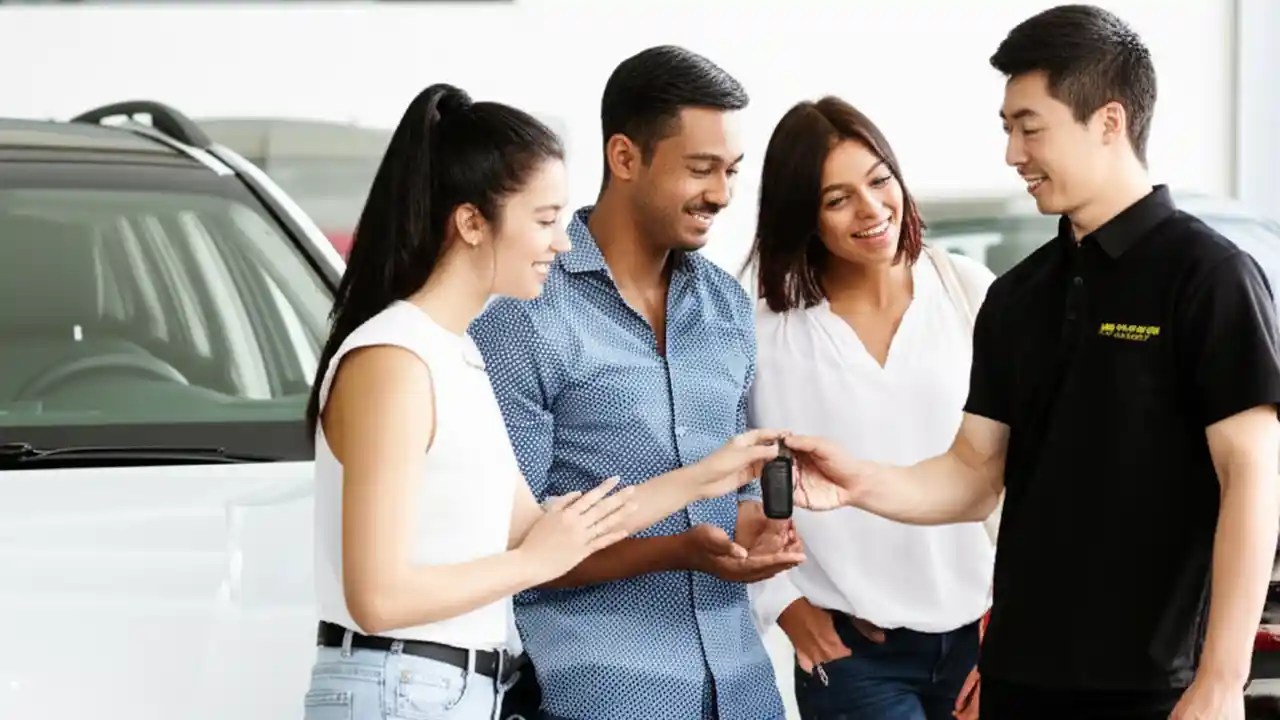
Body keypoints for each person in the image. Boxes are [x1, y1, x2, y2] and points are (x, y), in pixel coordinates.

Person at [781, 6, 1280, 720]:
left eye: (1030, 126)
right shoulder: (1017, 297)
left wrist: (1221, 681)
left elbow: (1253, 476)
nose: (1013, 152)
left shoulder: (1210, 277)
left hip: (1158, 689)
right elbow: (974, 474)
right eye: (1007, 129)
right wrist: (860, 482)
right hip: (1018, 684)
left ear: (1109, 122)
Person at [301, 82, 782, 720]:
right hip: (398, 688)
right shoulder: (392, 362)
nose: (562, 244)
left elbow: (538, 527)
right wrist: (531, 565)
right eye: (546, 220)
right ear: (472, 222)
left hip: (455, 689)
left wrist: (700, 480)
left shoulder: (455, 355)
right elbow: (378, 597)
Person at [470, 46, 803, 720]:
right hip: (602, 694)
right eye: (701, 169)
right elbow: (510, 546)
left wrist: (758, 533)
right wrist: (673, 552)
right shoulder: (525, 314)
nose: (721, 193)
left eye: (732, 171)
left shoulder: (727, 308)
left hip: (742, 688)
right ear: (625, 158)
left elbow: (725, 499)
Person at [743, 96, 997, 720]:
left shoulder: (970, 293)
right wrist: (784, 605)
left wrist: (1015, 632)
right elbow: (731, 484)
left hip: (982, 637)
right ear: (804, 215)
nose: (872, 209)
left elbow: (1022, 472)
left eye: (880, 180)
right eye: (837, 199)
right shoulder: (760, 329)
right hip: (857, 656)